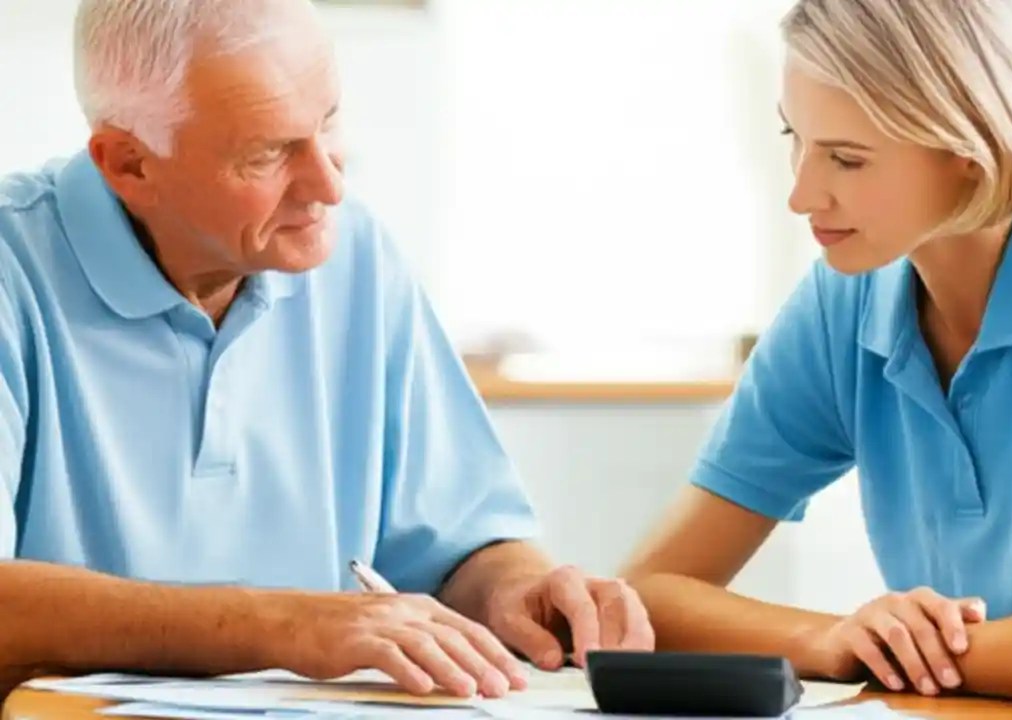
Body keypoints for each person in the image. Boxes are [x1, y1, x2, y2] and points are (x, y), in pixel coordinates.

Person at [620, 1, 1012, 718]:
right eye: (793, 138)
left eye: (846, 157)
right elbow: (647, 595)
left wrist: (881, 650)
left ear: (968, 149)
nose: (801, 193)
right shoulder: (846, 300)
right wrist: (833, 636)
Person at [0, 0, 653, 700]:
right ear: (128, 164)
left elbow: (460, 546)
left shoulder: (358, 258)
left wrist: (517, 592)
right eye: (269, 152)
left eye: (329, 121)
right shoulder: (16, 269)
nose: (329, 185)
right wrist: (286, 624)